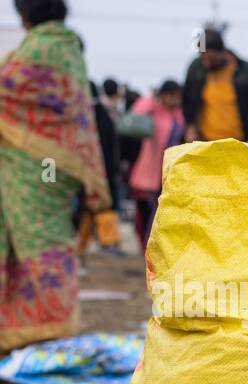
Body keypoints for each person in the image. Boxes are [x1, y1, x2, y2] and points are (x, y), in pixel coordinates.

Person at [0, 0, 109, 351]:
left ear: (25, 15)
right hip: (58, 164)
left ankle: (43, 326)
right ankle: (40, 325)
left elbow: (7, 90)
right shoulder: (69, 48)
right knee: (47, 235)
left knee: (34, 238)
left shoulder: (39, 48)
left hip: (36, 164)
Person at [125, 79, 183, 250]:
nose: (174, 100)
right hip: (150, 170)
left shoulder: (179, 115)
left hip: (171, 171)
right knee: (145, 214)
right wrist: (151, 97)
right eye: (170, 96)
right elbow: (135, 113)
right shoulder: (153, 112)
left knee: (163, 213)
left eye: (177, 96)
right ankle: (146, 248)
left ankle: (158, 248)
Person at [181, 28, 248, 143]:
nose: (207, 63)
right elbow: (187, 101)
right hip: (205, 143)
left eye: (211, 59)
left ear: (223, 52)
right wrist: (190, 126)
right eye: (203, 59)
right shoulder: (196, 70)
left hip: (241, 144)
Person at [75, 79, 122, 258]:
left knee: (89, 207)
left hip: (93, 172)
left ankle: (86, 245)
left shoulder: (88, 114)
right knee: (101, 205)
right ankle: (107, 243)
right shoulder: (100, 114)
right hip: (102, 172)